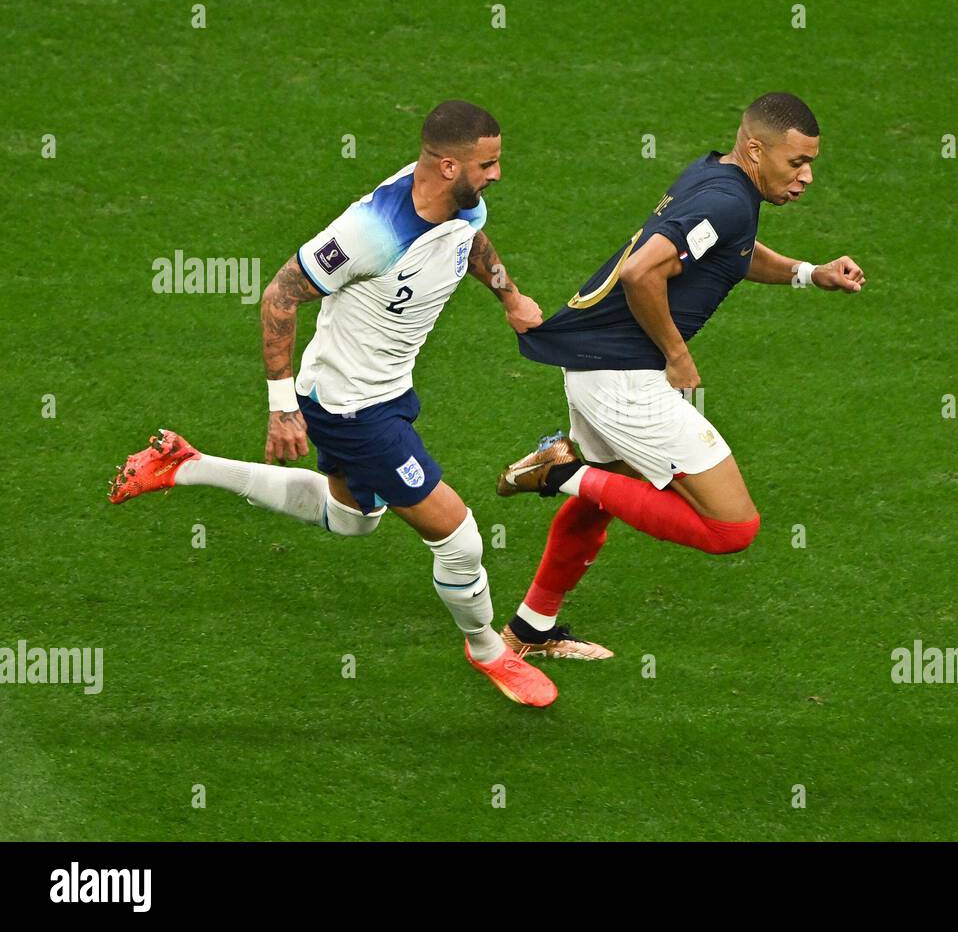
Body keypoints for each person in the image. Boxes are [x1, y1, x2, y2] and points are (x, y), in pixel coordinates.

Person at [108, 100, 558, 707]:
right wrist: (281, 407)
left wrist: (508, 294)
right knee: (458, 538)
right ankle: (488, 650)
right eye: (489, 163)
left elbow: (470, 240)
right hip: (353, 408)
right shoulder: (368, 231)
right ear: (448, 165)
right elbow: (280, 295)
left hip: (388, 391)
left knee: (352, 518)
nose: (497, 174)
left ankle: (185, 465)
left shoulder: (460, 200)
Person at [496, 93, 865, 661]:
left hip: (597, 365)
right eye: (797, 163)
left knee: (601, 501)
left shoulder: (720, 176)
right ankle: (556, 471)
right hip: (624, 377)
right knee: (731, 528)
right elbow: (643, 271)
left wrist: (809, 274)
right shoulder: (728, 200)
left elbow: (731, 253)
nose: (808, 176)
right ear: (756, 148)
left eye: (811, 163)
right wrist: (676, 353)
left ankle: (530, 630)